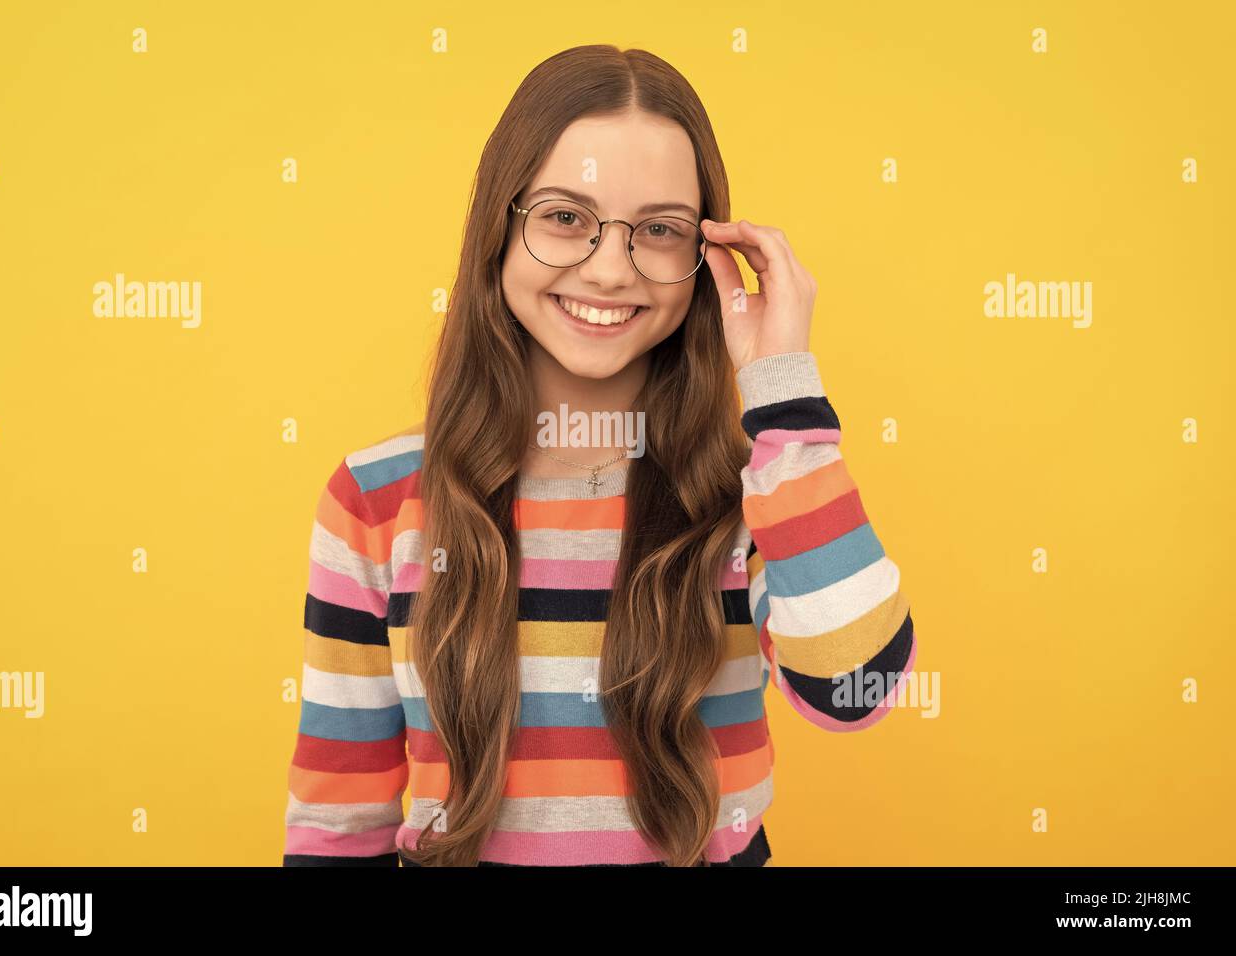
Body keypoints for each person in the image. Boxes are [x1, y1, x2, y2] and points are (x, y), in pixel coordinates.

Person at [282, 44, 916, 868]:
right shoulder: (377, 498)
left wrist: (783, 392)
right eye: (565, 217)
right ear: (499, 228)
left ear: (706, 260)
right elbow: (338, 826)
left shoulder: (760, 494)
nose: (610, 269)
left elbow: (853, 688)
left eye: (658, 230)